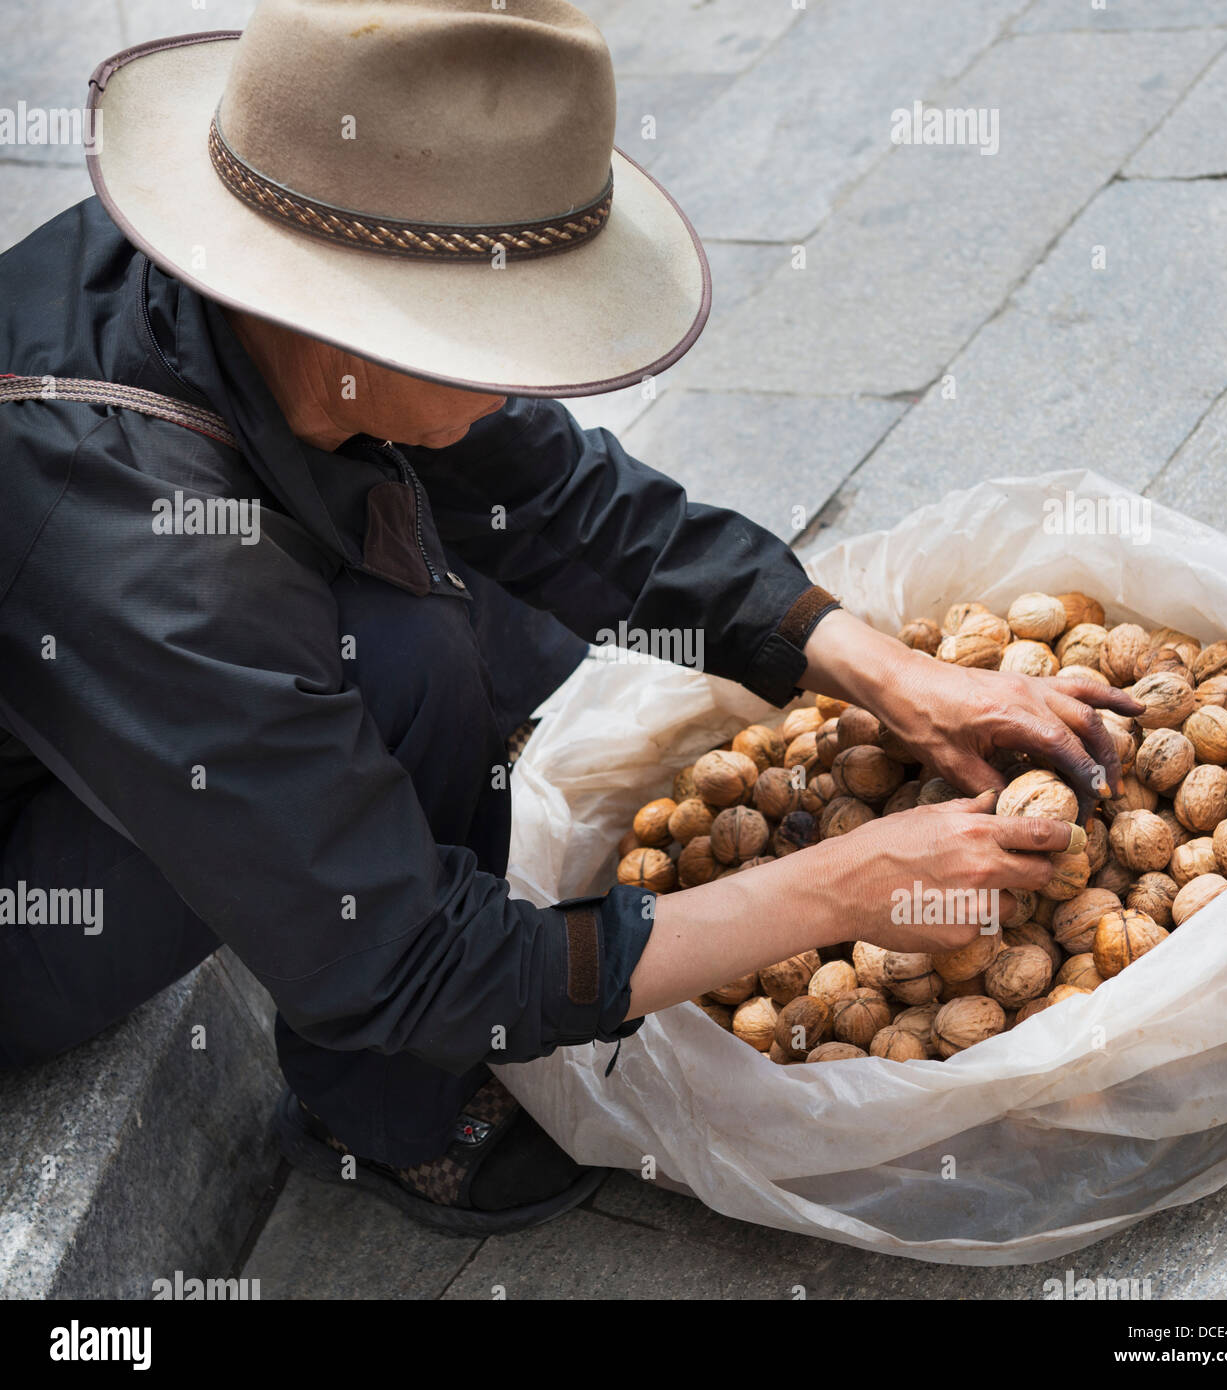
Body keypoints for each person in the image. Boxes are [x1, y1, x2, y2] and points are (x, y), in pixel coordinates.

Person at [0, 0, 1139, 1234]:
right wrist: (837, 889)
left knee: (464, 565)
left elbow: (558, 497)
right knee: (412, 648)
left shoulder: (253, 282)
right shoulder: (156, 558)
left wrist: (877, 668)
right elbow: (412, 960)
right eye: (509, 340)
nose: (537, 378)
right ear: (349, 321)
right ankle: (388, 1120)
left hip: (143, 683)